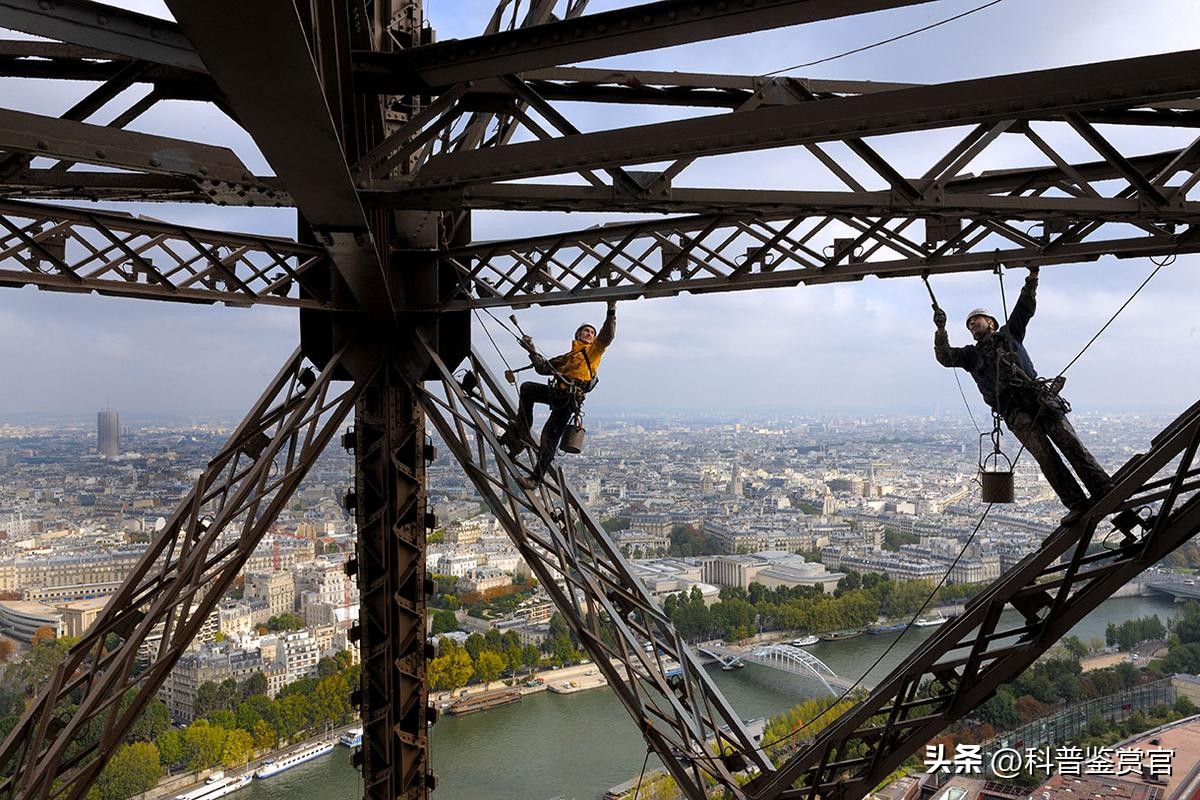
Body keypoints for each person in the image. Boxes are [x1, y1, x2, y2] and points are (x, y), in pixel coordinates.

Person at [932, 266, 1112, 523]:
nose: (973, 325)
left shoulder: (1010, 334)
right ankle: (1078, 502)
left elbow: (1024, 307)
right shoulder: (971, 355)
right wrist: (941, 331)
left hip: (1035, 398)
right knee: (1045, 457)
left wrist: (1032, 278)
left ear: (990, 323)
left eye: (977, 320)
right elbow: (945, 357)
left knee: (1070, 444)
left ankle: (1101, 489)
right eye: (970, 324)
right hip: (1015, 410)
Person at [500, 300, 617, 489]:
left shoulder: (594, 351)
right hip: (557, 393)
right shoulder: (568, 357)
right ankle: (523, 429)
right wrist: (531, 350)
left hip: (568, 400)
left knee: (549, 438)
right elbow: (542, 368)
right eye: (586, 331)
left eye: (592, 333)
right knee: (527, 388)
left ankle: (535, 479)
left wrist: (611, 310)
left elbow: (608, 336)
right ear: (578, 335)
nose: (590, 334)